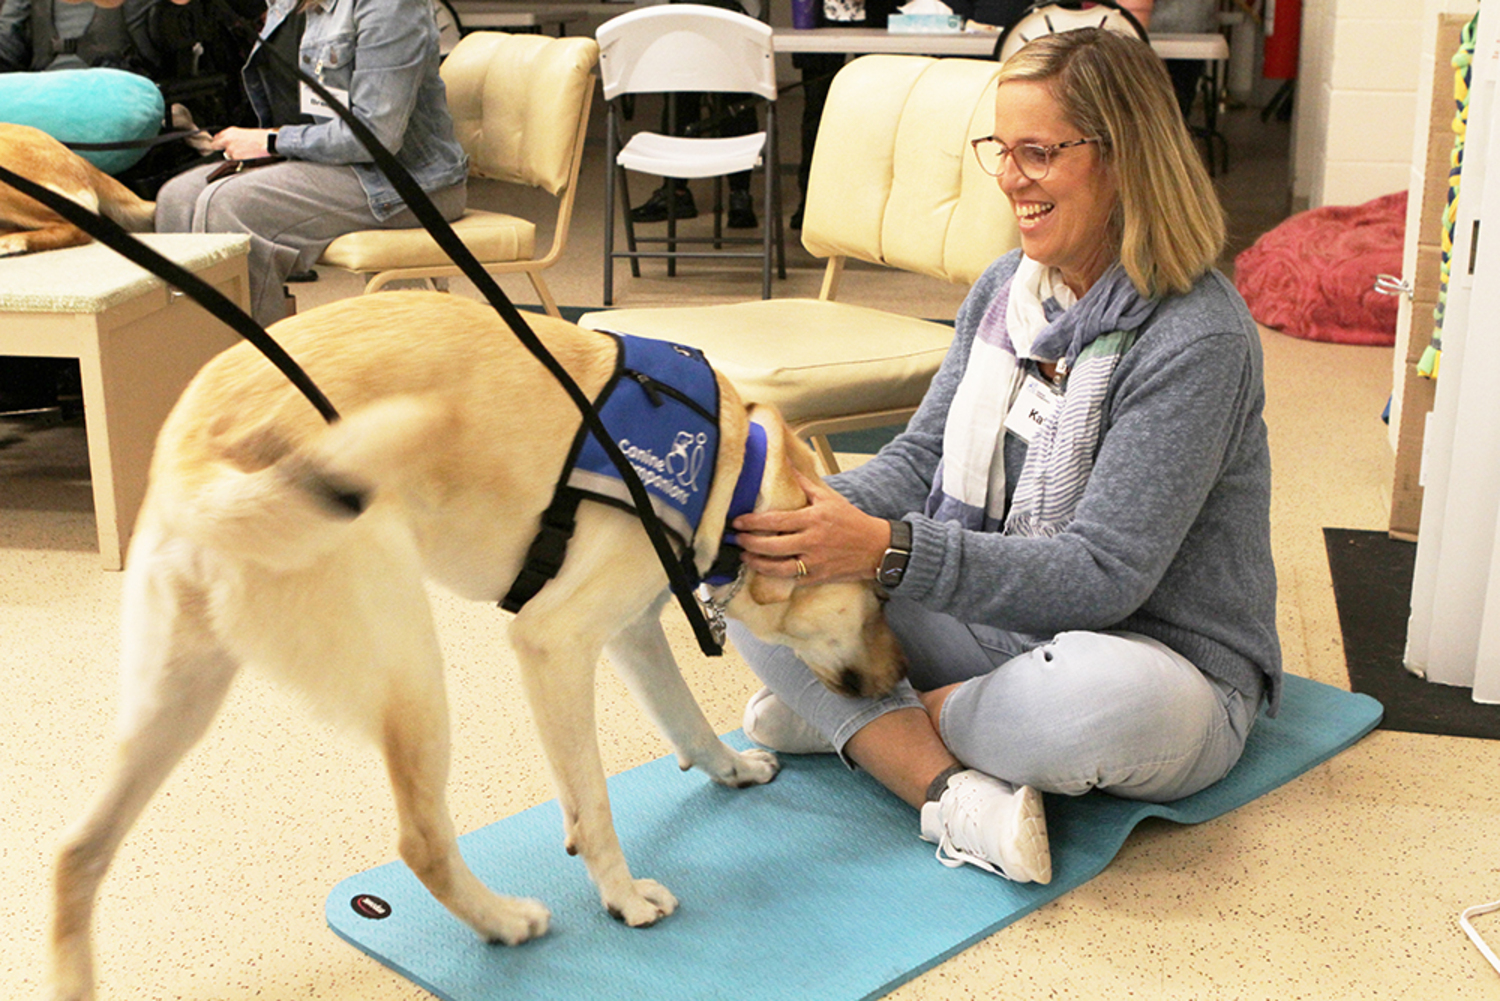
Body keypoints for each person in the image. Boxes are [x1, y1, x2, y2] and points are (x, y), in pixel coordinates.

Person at [729, 27, 1280, 885]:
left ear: (1124, 157)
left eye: (1037, 151)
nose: (1009, 177)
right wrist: (797, 517)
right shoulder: (1005, 291)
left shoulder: (1196, 336)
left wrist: (882, 550)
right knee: (754, 583)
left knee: (1090, 710)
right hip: (1000, 625)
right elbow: (920, 462)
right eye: (1000, 148)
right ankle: (945, 789)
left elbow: (1103, 576)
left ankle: (867, 720)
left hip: (1160, 659)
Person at [153, 0, 468, 327]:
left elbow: (375, 137)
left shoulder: (392, 6)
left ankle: (263, 366)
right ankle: (193, 353)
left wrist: (272, 141)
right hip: (333, 162)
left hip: (408, 181)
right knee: (178, 197)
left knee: (228, 206)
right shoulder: (293, 4)